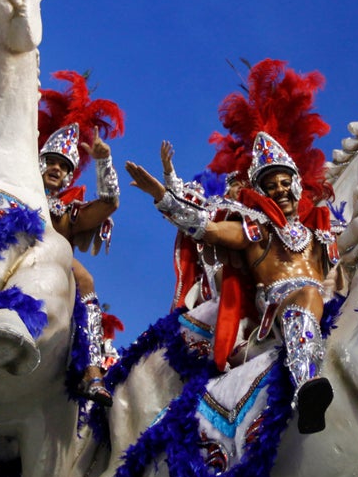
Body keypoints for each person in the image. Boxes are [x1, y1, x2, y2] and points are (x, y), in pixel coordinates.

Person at [128, 131, 337, 433]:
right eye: (271, 186)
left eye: (284, 182)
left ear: (296, 185)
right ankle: (306, 385)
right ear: (261, 193)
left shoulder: (321, 232)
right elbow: (208, 229)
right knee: (306, 294)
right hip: (278, 307)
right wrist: (164, 198)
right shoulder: (256, 231)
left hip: (325, 302)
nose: (280, 190)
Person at [40, 123, 120, 405]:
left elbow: (109, 203)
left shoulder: (66, 213)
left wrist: (103, 161)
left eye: (64, 166)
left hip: (52, 267)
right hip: (4, 258)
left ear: (68, 177)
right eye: (51, 161)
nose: (56, 168)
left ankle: (91, 370)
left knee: (84, 278)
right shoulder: (12, 195)